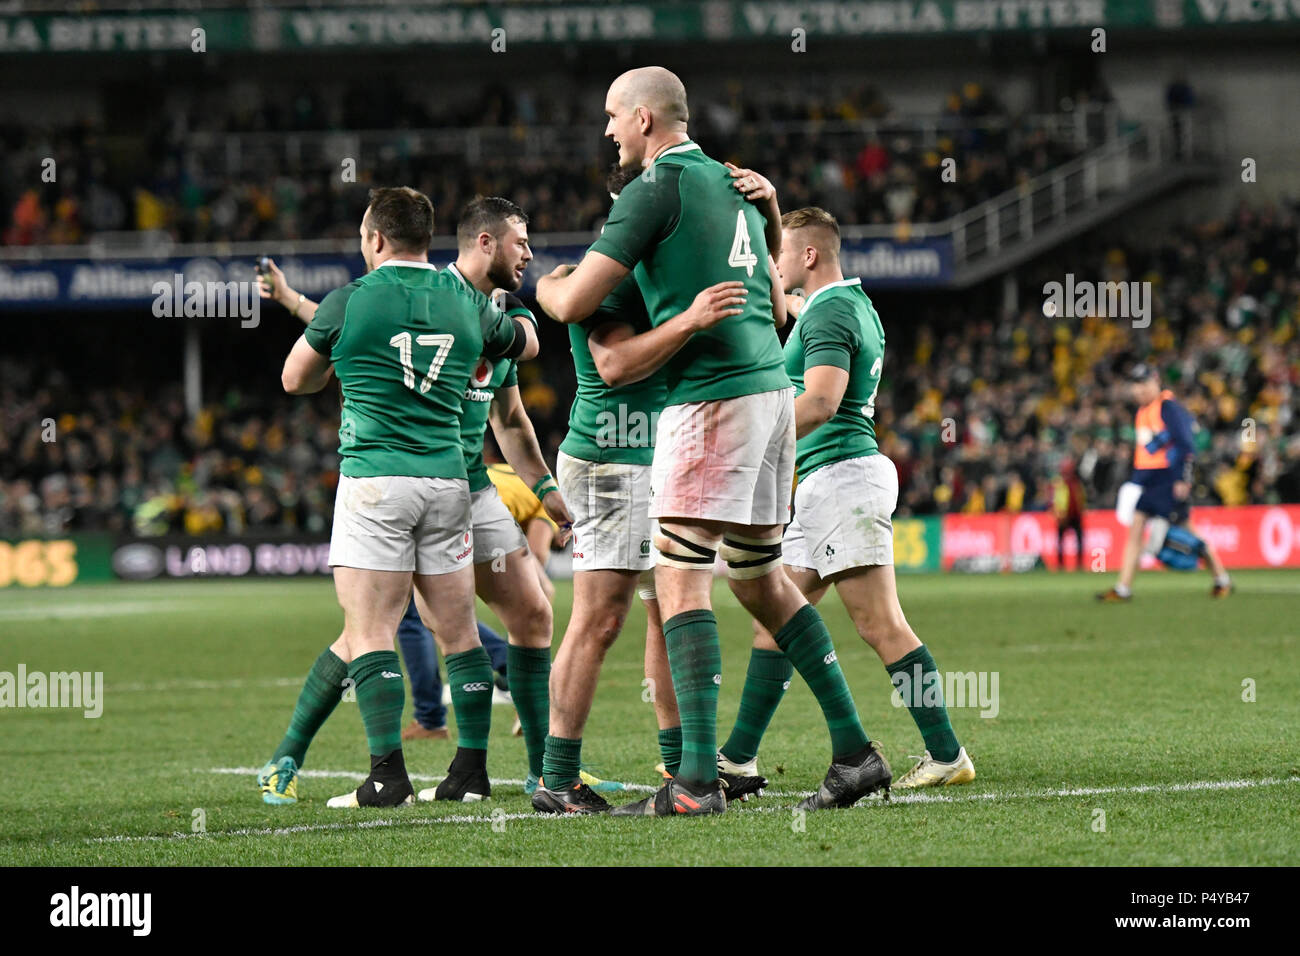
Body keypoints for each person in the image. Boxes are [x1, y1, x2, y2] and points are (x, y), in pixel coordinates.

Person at [537, 67, 886, 816]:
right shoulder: (735, 186)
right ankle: (855, 751)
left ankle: (694, 780)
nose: (605, 131)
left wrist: (541, 284)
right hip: (769, 392)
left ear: (642, 120)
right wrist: (773, 215)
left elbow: (569, 301)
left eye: (610, 116)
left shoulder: (654, 190)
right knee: (761, 581)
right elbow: (776, 302)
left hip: (713, 399)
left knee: (680, 579)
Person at [255, 186, 538, 808]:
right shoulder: (462, 302)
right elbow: (524, 344)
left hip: (377, 482)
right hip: (448, 483)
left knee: (370, 629)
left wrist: (346, 365)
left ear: (376, 239)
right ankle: (470, 776)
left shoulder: (350, 301)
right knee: (460, 633)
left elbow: (295, 379)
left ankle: (387, 778)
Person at [532, 164, 774, 814]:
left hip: (660, 455)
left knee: (671, 610)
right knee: (598, 619)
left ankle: (684, 766)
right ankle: (558, 779)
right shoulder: (607, 280)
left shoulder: (662, 271)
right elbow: (611, 366)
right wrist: (690, 320)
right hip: (611, 460)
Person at [719, 206, 975, 791]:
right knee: (774, 618)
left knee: (880, 624)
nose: (773, 263)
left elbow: (820, 403)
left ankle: (946, 753)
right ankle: (737, 760)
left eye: (780, 252)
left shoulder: (832, 310)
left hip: (842, 478)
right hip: (825, 481)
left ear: (808, 256)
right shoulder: (845, 306)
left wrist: (746, 440)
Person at [1097, 364, 1232, 602]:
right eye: (1136, 385)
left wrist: (1182, 478)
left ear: (1156, 382)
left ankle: (1221, 579)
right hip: (1149, 482)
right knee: (1136, 532)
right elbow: (1146, 453)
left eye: (1143, 384)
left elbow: (1186, 445)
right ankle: (1123, 588)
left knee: (1188, 531)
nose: (1139, 390)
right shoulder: (1144, 411)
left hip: (1167, 480)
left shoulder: (1168, 407)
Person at [1052, 458, 1087, 571]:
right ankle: (1060, 564)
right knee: (1061, 541)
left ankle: (1079, 563)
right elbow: (1057, 499)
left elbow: (1079, 497)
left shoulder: (1074, 482)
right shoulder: (1061, 482)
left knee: (1079, 540)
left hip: (1075, 515)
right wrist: (1059, 513)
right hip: (1064, 516)